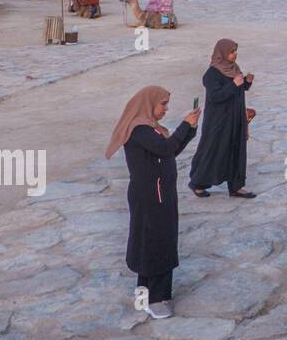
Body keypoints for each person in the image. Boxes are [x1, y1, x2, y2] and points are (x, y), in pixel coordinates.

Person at [107, 86, 200, 319]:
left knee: (157, 240)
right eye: (163, 104)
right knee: (156, 242)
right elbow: (165, 148)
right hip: (151, 197)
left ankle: (151, 290)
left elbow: (168, 152)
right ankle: (155, 299)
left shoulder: (152, 129)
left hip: (160, 195)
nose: (166, 109)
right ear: (149, 104)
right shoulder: (140, 130)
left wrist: (191, 129)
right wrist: (185, 125)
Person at [188, 39, 256, 198]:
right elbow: (215, 96)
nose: (235, 54)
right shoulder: (211, 74)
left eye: (235, 51)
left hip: (235, 118)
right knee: (213, 151)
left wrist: (246, 83)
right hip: (219, 121)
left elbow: (238, 90)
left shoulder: (234, 69)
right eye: (232, 51)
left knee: (236, 150)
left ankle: (236, 186)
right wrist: (234, 84)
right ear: (223, 53)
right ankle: (197, 183)